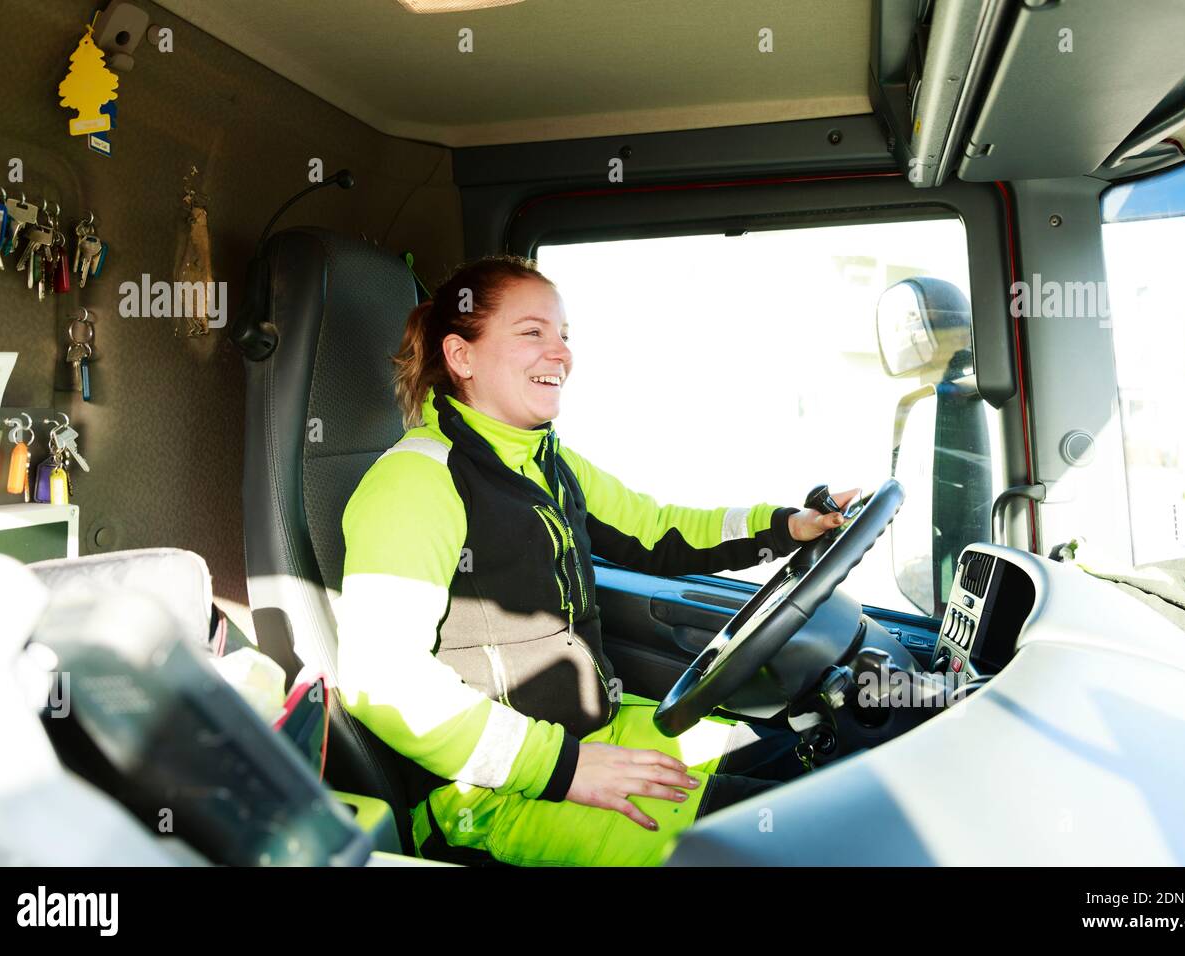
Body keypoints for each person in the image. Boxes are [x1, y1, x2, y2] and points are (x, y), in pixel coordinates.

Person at [334, 255, 858, 866]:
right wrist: (567, 767)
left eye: (563, 336)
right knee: (803, 848)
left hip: (598, 735)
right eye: (532, 333)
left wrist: (786, 526)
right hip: (494, 796)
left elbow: (660, 530)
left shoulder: (546, 460)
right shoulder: (416, 481)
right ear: (461, 356)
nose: (561, 354)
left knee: (817, 779)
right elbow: (382, 680)